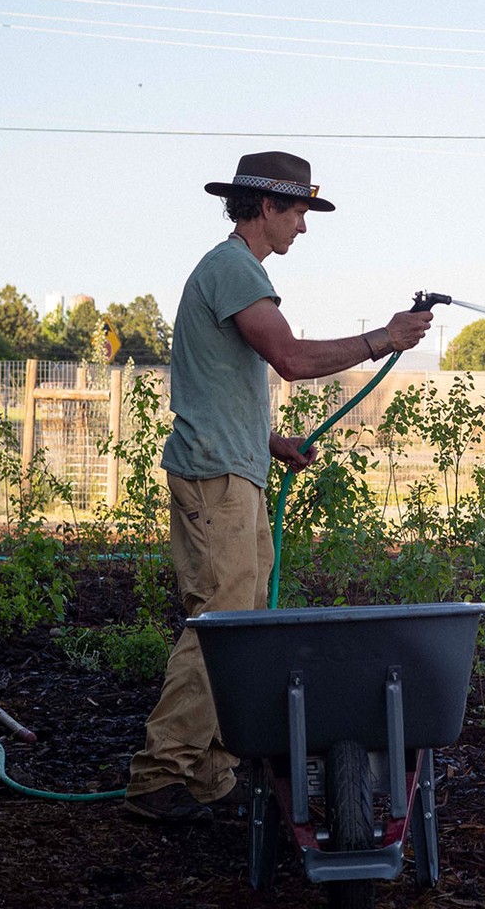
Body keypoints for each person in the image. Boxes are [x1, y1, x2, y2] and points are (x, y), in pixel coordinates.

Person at [124, 150, 432, 822]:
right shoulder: (232, 269)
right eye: (297, 212)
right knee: (222, 629)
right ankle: (159, 774)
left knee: (242, 627)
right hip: (217, 480)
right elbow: (290, 358)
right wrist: (383, 338)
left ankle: (208, 769)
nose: (304, 226)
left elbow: (213, 387)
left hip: (236, 470)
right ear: (265, 207)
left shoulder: (236, 273)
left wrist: (270, 442)